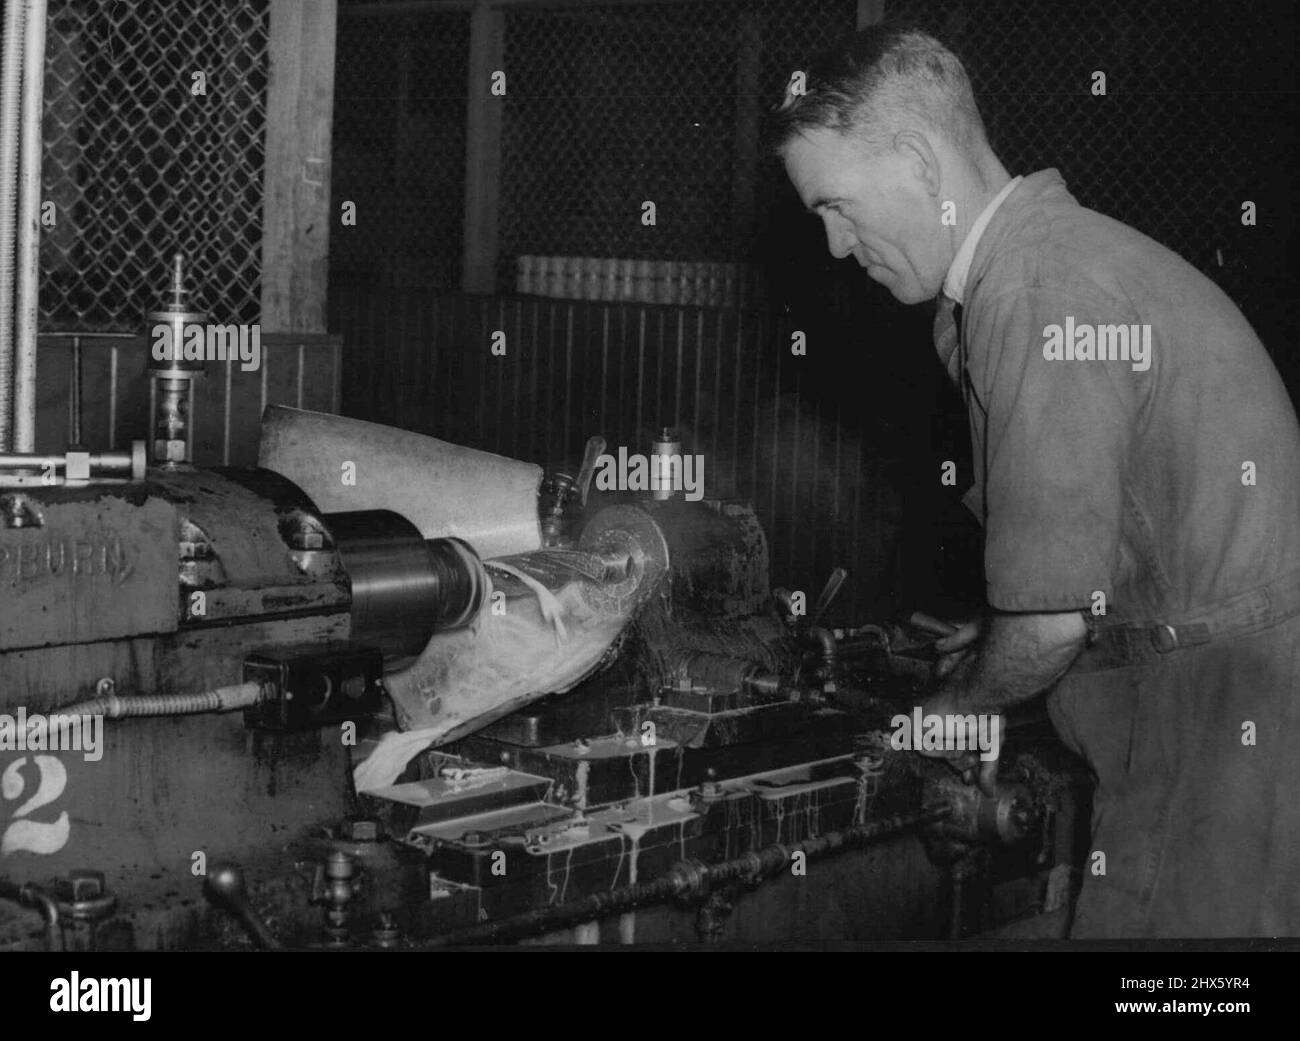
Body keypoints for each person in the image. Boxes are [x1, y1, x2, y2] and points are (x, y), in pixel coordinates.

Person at [770, 25, 1300, 938]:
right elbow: (1109, 556)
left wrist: (947, 711)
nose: (832, 244)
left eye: (838, 205)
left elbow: (1055, 619)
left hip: (1214, 727)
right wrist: (993, 636)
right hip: (1227, 705)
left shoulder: (1036, 293)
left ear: (916, 160)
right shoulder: (1038, 267)